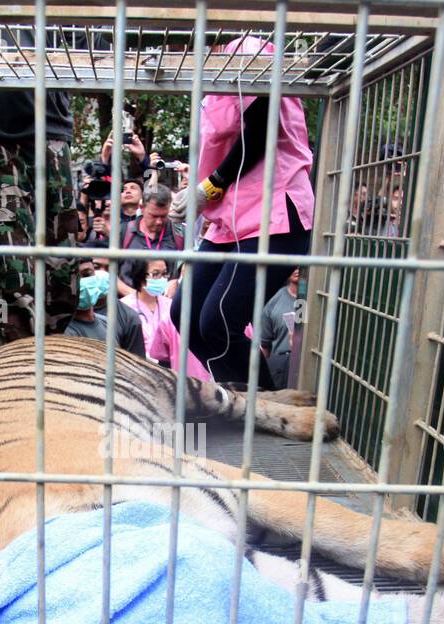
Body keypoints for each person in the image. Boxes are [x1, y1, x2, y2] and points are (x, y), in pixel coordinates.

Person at [170, 36, 315, 389]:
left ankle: (266, 410)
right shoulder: (213, 65)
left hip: (274, 214)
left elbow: (263, 130)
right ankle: (236, 400)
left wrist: (210, 186)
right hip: (228, 221)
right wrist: (197, 192)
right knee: (184, 315)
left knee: (218, 321)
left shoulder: (247, 51)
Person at [0, 87, 80, 345]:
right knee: (13, 273)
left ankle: (49, 361)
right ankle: (17, 365)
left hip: (53, 130)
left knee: (64, 276)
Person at [122, 258, 209, 381]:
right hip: (135, 372)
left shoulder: (172, 306)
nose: (162, 279)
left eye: (164, 274)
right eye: (156, 274)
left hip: (169, 374)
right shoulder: (123, 307)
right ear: (140, 275)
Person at [63, 258, 146, 357]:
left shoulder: (109, 323)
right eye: (75, 277)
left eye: (87, 274)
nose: (82, 282)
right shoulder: (62, 331)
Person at [115, 184, 183, 298]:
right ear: (141, 208)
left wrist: (176, 280)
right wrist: (137, 298)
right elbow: (108, 273)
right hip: (129, 306)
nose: (159, 222)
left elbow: (189, 268)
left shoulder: (179, 233)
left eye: (164, 216)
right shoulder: (123, 232)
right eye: (154, 216)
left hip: (168, 306)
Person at [258, 268, 301, 388]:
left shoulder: (311, 300)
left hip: (305, 364)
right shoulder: (274, 301)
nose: (297, 269)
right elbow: (264, 345)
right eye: (293, 265)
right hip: (279, 367)